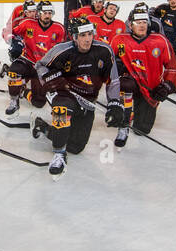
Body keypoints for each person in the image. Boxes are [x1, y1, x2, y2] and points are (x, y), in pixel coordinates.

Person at [32, 17, 122, 179]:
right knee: (61, 112)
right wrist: (48, 78)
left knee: (75, 147)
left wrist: (114, 103)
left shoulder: (104, 50)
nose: (88, 39)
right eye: (82, 35)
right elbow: (40, 65)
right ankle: (59, 154)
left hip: (87, 101)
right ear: (74, 36)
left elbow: (113, 79)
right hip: (64, 94)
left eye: (90, 34)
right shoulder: (61, 50)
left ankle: (43, 127)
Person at [109, 4, 176, 147]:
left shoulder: (160, 41)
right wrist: (116, 66)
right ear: (130, 24)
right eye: (138, 22)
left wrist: (166, 86)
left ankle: (134, 114)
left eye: (144, 22)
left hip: (150, 87)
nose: (142, 25)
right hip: (130, 82)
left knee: (142, 129)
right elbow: (108, 65)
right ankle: (124, 125)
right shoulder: (119, 40)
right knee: (125, 86)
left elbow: (172, 68)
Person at [5, 1, 65, 116]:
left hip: (44, 67)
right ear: (39, 13)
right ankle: (14, 100)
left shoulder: (59, 29)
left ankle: (23, 91)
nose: (47, 16)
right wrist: (13, 41)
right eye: (44, 13)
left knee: (38, 102)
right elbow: (8, 32)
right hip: (27, 61)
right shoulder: (27, 23)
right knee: (13, 71)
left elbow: (62, 49)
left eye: (49, 13)